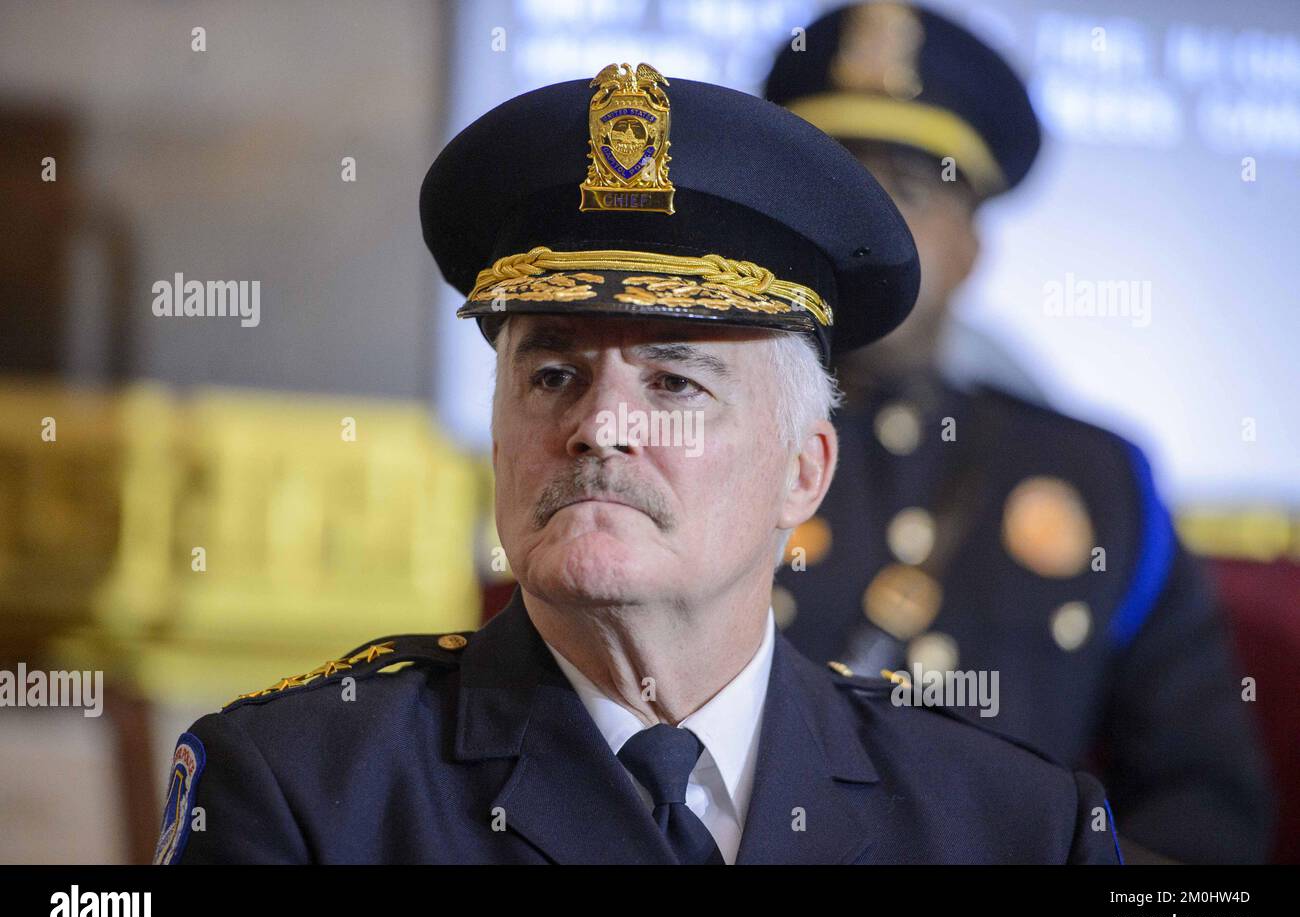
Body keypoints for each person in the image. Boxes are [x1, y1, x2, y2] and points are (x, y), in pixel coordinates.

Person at [153, 64, 1121, 864]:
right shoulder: (303, 791)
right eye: (554, 373)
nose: (598, 427)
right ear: (497, 432)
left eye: (673, 385)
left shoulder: (1010, 827)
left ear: (804, 469)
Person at [764, 1, 1273, 863]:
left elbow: (1207, 817)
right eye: (836, 186)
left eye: (912, 192)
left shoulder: (1096, 480)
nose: (866, 225)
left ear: (971, 246)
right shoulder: (690, 442)